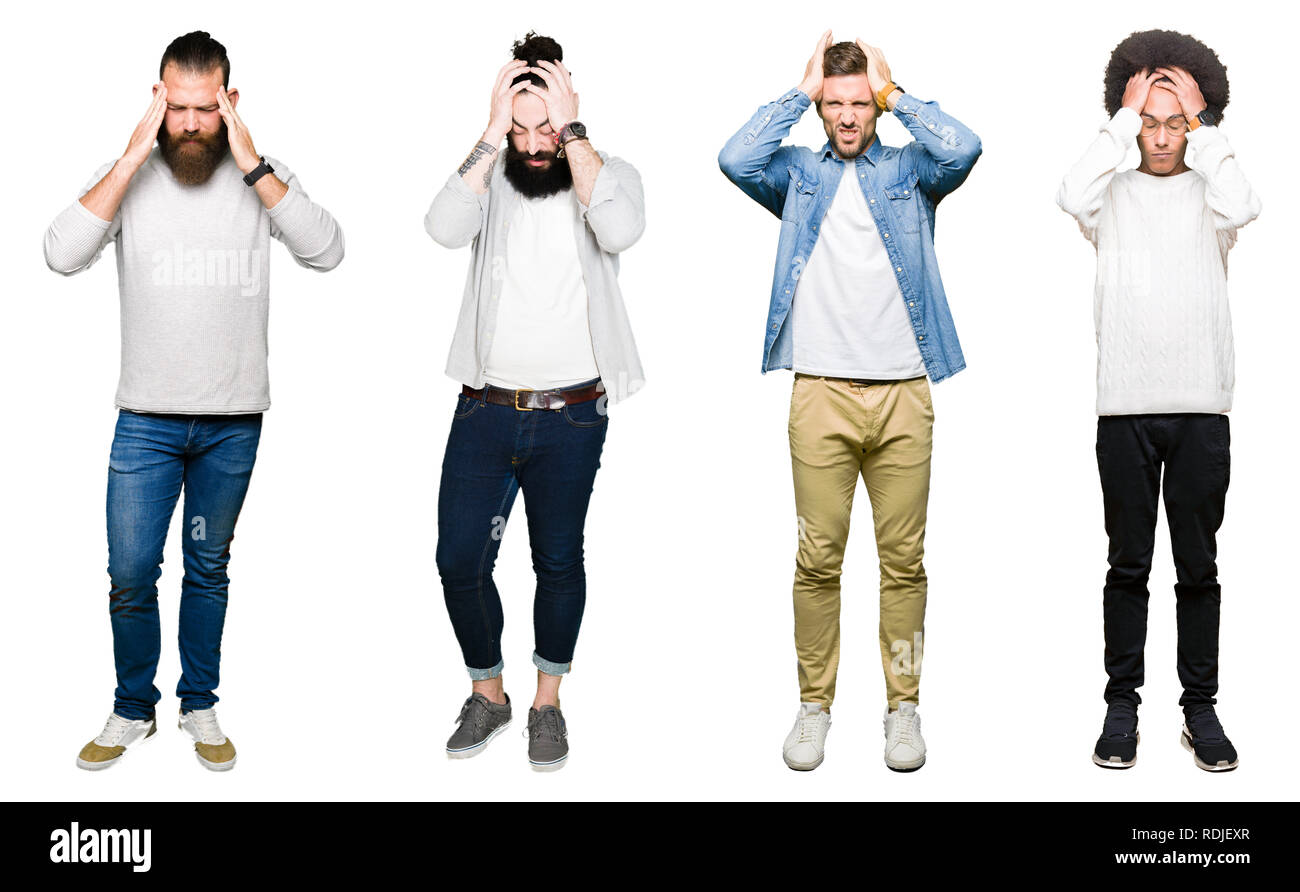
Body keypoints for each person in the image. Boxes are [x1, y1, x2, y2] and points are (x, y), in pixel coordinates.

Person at [44, 31, 344, 771]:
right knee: (130, 573)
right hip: (145, 422)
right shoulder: (130, 174)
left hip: (231, 424)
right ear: (157, 101)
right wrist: (129, 151)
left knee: (207, 568)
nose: (187, 124)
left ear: (230, 104)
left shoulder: (260, 176)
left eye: (204, 110)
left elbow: (327, 250)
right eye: (174, 108)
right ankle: (131, 709)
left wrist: (254, 163)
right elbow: (60, 253)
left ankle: (199, 704)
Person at [718, 32, 981, 772]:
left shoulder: (910, 171)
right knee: (816, 561)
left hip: (903, 396)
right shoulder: (798, 175)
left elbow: (965, 148)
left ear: (876, 104)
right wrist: (798, 92)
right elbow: (735, 158)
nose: (847, 117)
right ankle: (814, 707)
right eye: (835, 104)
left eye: (860, 103)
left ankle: (904, 708)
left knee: (904, 563)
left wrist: (898, 96)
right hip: (820, 396)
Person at [425, 31, 645, 771]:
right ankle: (490, 694)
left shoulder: (608, 173)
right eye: (522, 127)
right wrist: (490, 132)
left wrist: (573, 130)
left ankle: (547, 705)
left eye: (545, 124)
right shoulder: (491, 177)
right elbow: (442, 226)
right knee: (460, 558)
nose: (535, 141)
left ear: (571, 109)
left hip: (573, 414)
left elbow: (619, 227)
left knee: (557, 561)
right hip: (484, 410)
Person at [1057, 29, 1259, 772]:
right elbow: (1066, 191)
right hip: (1126, 410)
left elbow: (1248, 204)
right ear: (1130, 117)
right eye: (1151, 119)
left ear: (1197, 124)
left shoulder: (1213, 197)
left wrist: (1206, 127)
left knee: (1198, 568)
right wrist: (1121, 118)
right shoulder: (1107, 198)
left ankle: (1200, 709)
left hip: (1202, 406)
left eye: (1178, 122)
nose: (1164, 136)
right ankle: (1121, 707)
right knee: (1127, 567)